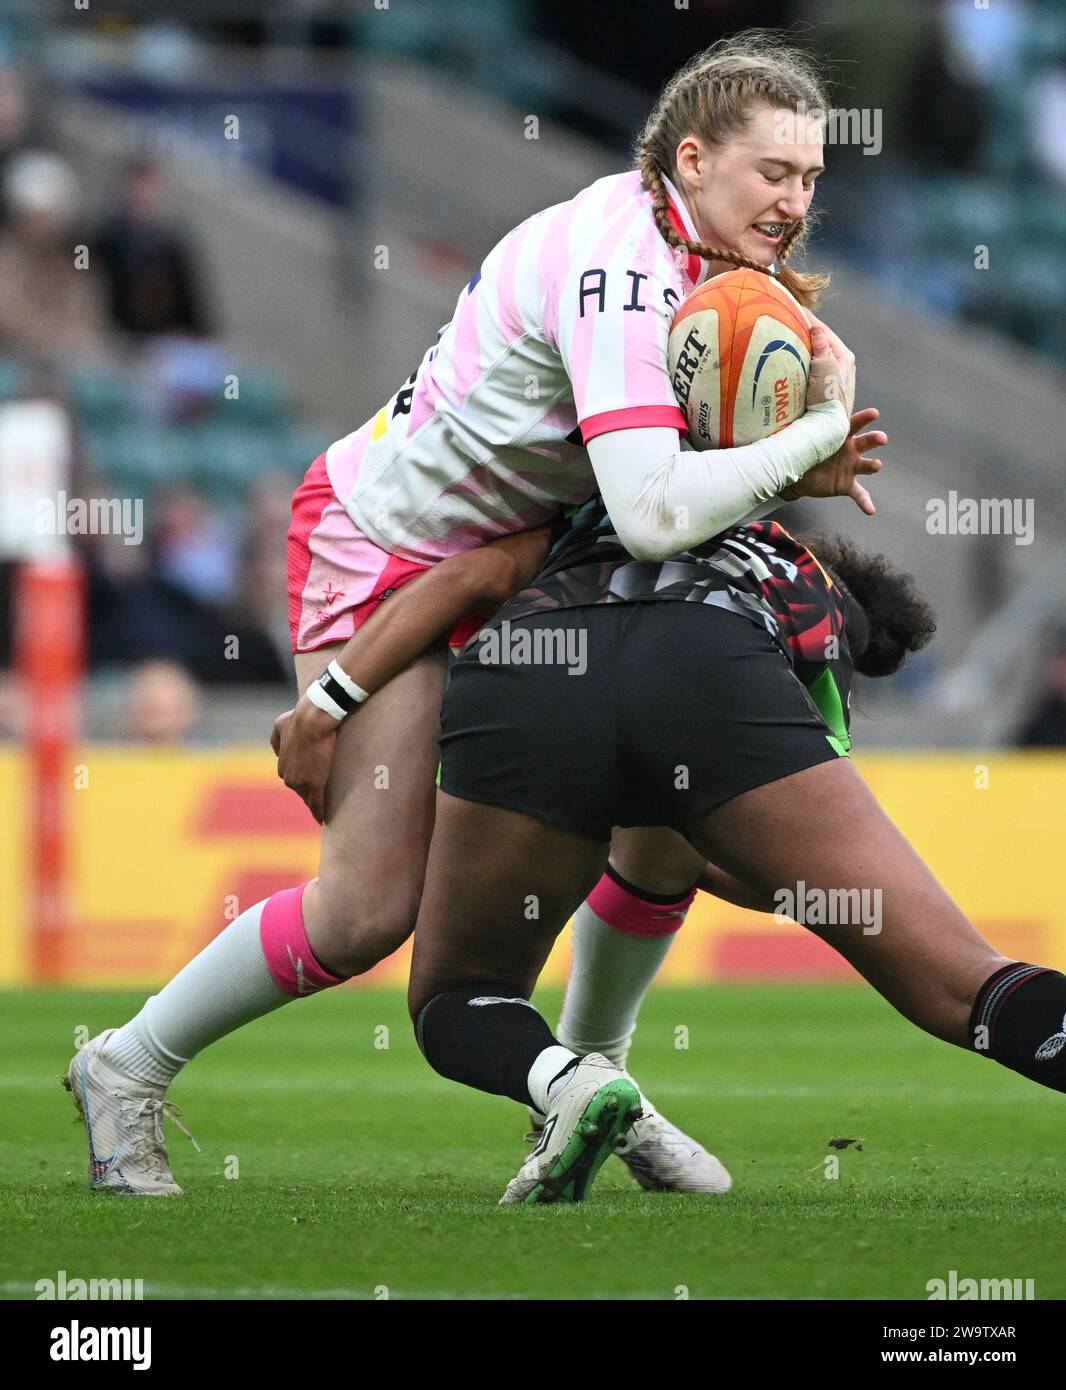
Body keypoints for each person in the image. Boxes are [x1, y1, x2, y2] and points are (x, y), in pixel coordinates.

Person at [64, 32, 884, 1196]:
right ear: (692, 160)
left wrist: (793, 465)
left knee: (664, 815)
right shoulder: (623, 271)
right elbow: (651, 512)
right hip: (390, 544)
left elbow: (627, 500)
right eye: (773, 174)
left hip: (524, 563)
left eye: (810, 178)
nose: (795, 202)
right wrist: (809, 435)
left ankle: (589, 1085)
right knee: (364, 910)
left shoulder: (697, 265)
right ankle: (125, 1068)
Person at [405, 510, 1065, 1205]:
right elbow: (789, 862)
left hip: (522, 657)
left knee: (459, 994)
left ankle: (571, 1077)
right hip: (703, 660)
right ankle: (594, 1062)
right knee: (962, 986)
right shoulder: (821, 607)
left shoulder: (672, 514)